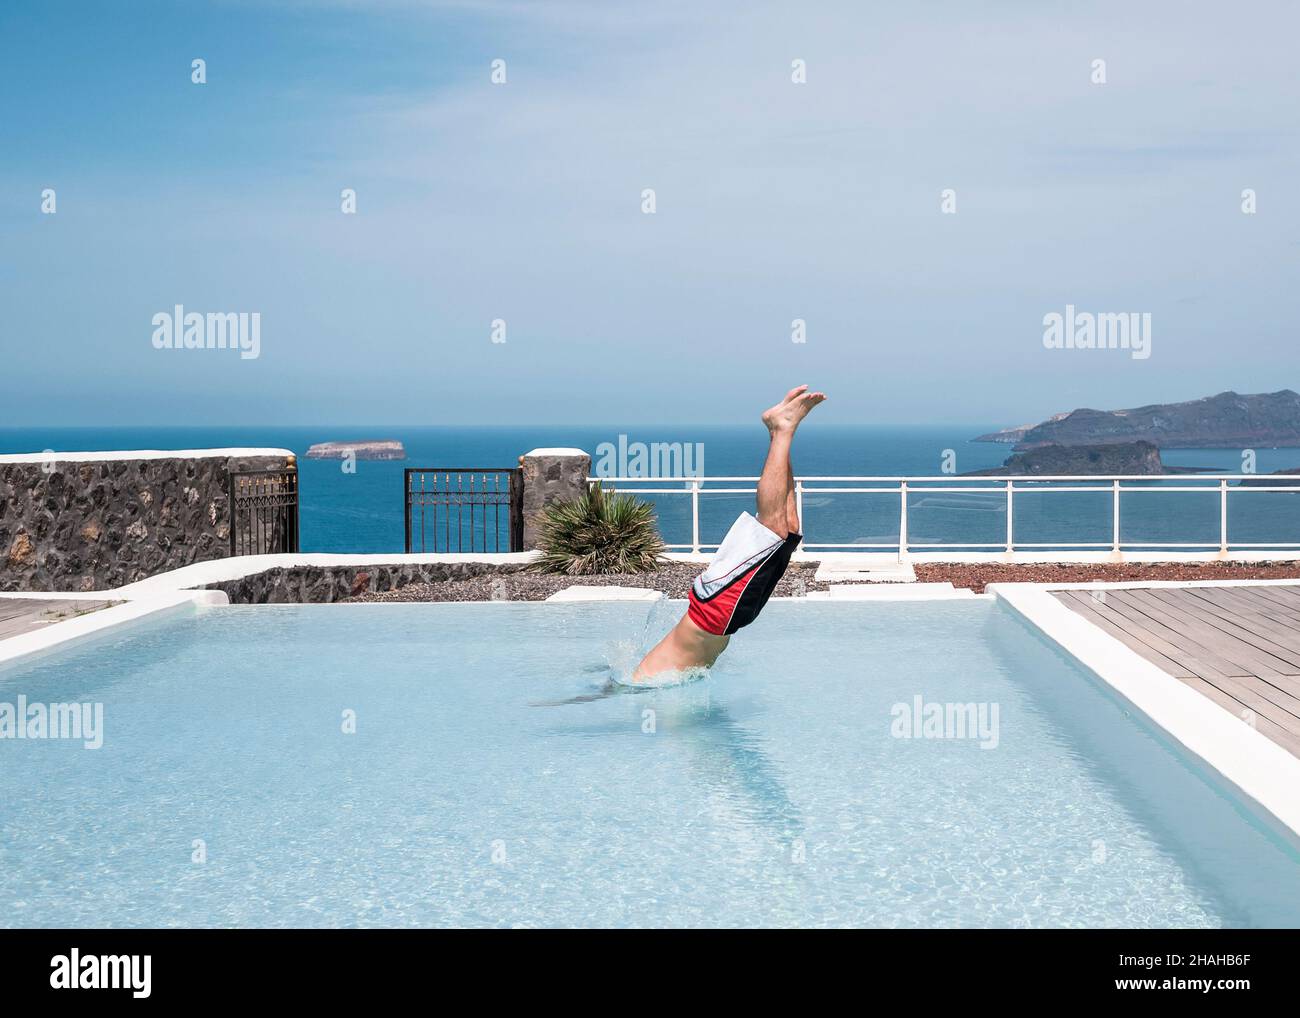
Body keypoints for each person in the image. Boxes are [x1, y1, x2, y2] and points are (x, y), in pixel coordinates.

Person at [632, 385, 826, 682]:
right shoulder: (644, 679)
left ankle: (784, 428)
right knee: (788, 532)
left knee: (772, 529)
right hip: (723, 613)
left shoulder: (641, 684)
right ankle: (779, 433)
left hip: (718, 611)